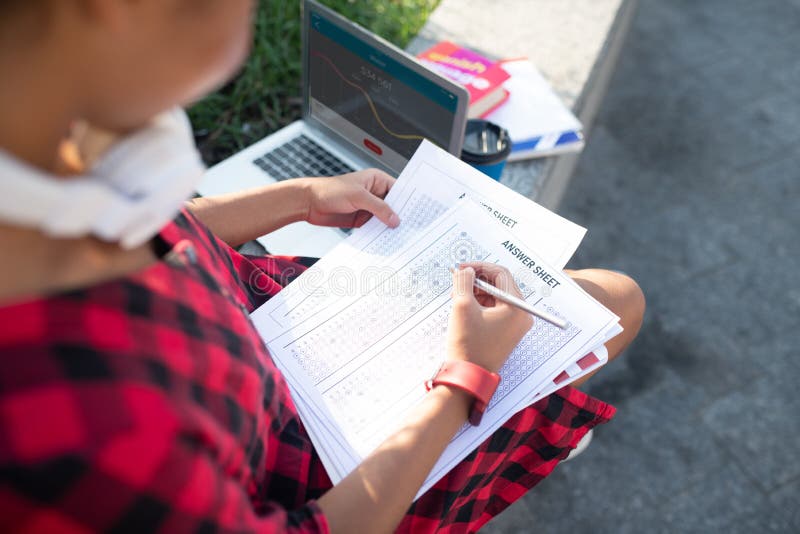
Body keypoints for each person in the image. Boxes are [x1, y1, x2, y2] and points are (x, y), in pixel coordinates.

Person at [0, 1, 645, 532]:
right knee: (615, 302)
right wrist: (469, 375)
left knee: (597, 302)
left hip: (276, 331)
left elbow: (166, 225)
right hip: (328, 471)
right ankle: (522, 411)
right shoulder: (86, 430)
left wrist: (300, 198)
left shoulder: (51, 141)